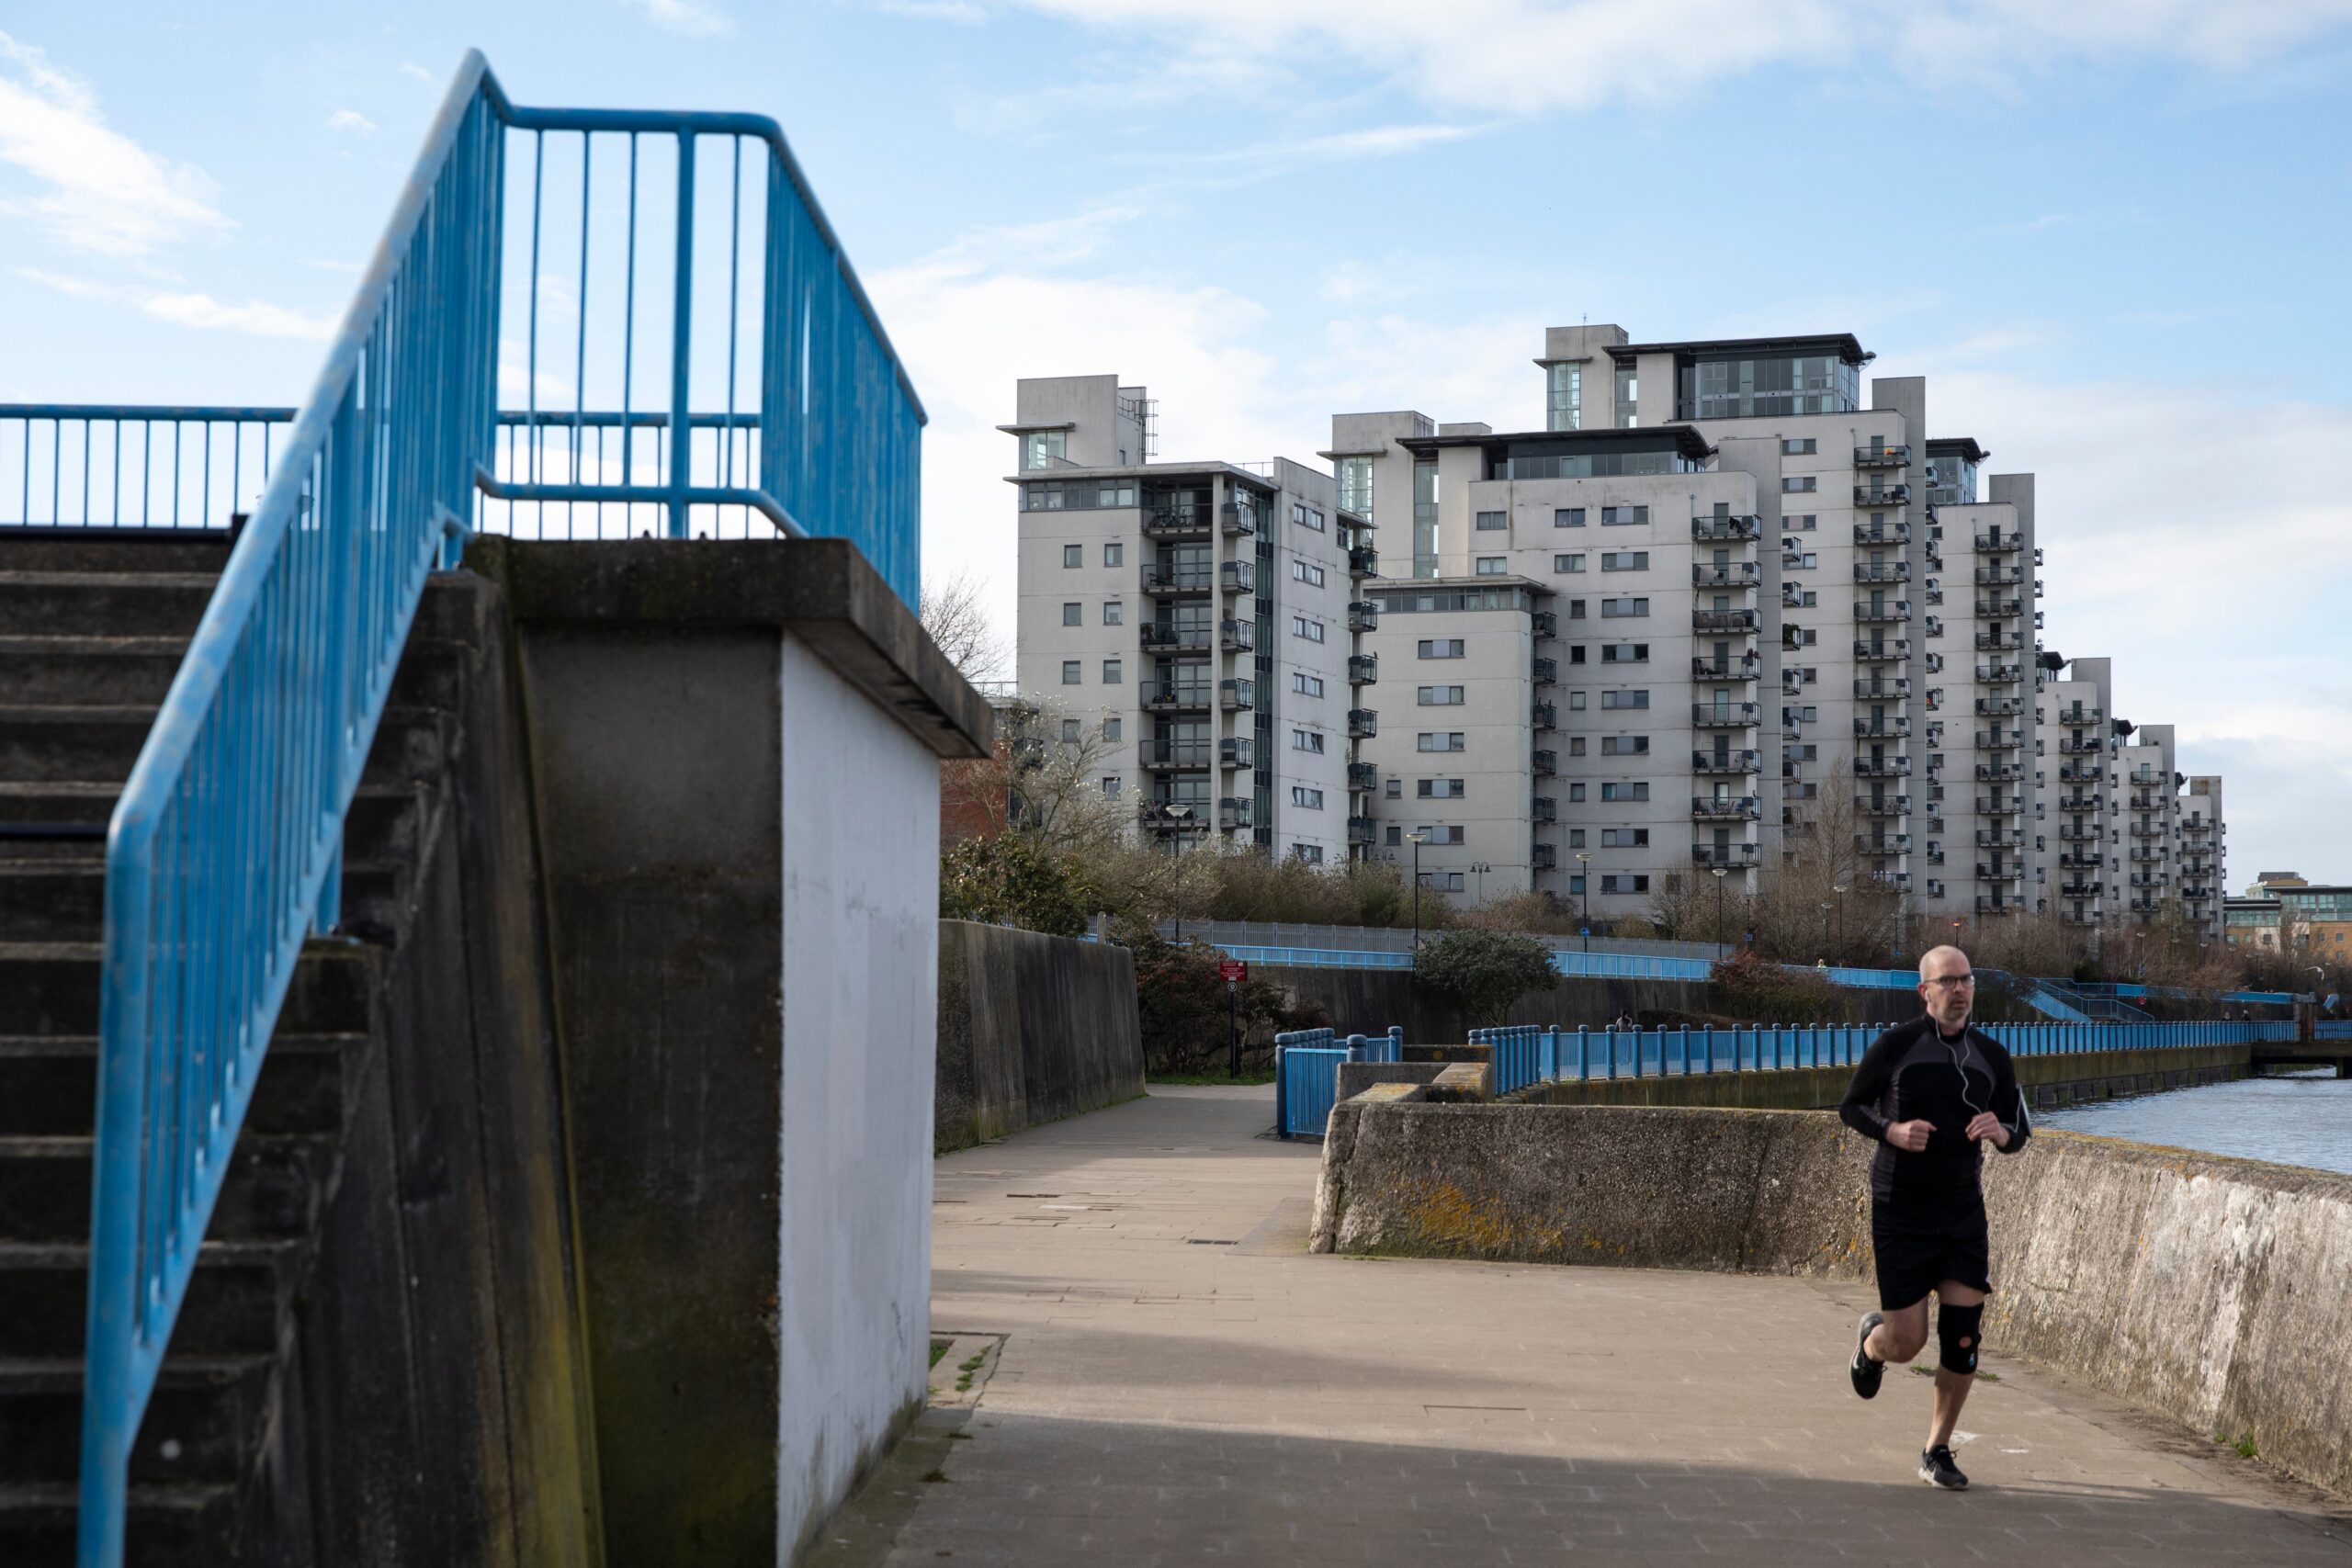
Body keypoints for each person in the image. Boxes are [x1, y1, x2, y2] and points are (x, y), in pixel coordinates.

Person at [1838, 944, 2032, 1491]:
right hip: (1900, 1208)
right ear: (1924, 991)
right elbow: (1851, 1107)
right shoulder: (1896, 1046)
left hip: (1962, 1211)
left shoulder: (1992, 1056)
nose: (1960, 989)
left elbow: (2020, 1131)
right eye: (1947, 981)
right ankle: (1872, 1344)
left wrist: (2001, 1133)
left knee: (1963, 1340)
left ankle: (1937, 1449)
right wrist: (1892, 1131)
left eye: (1966, 979)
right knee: (1907, 1343)